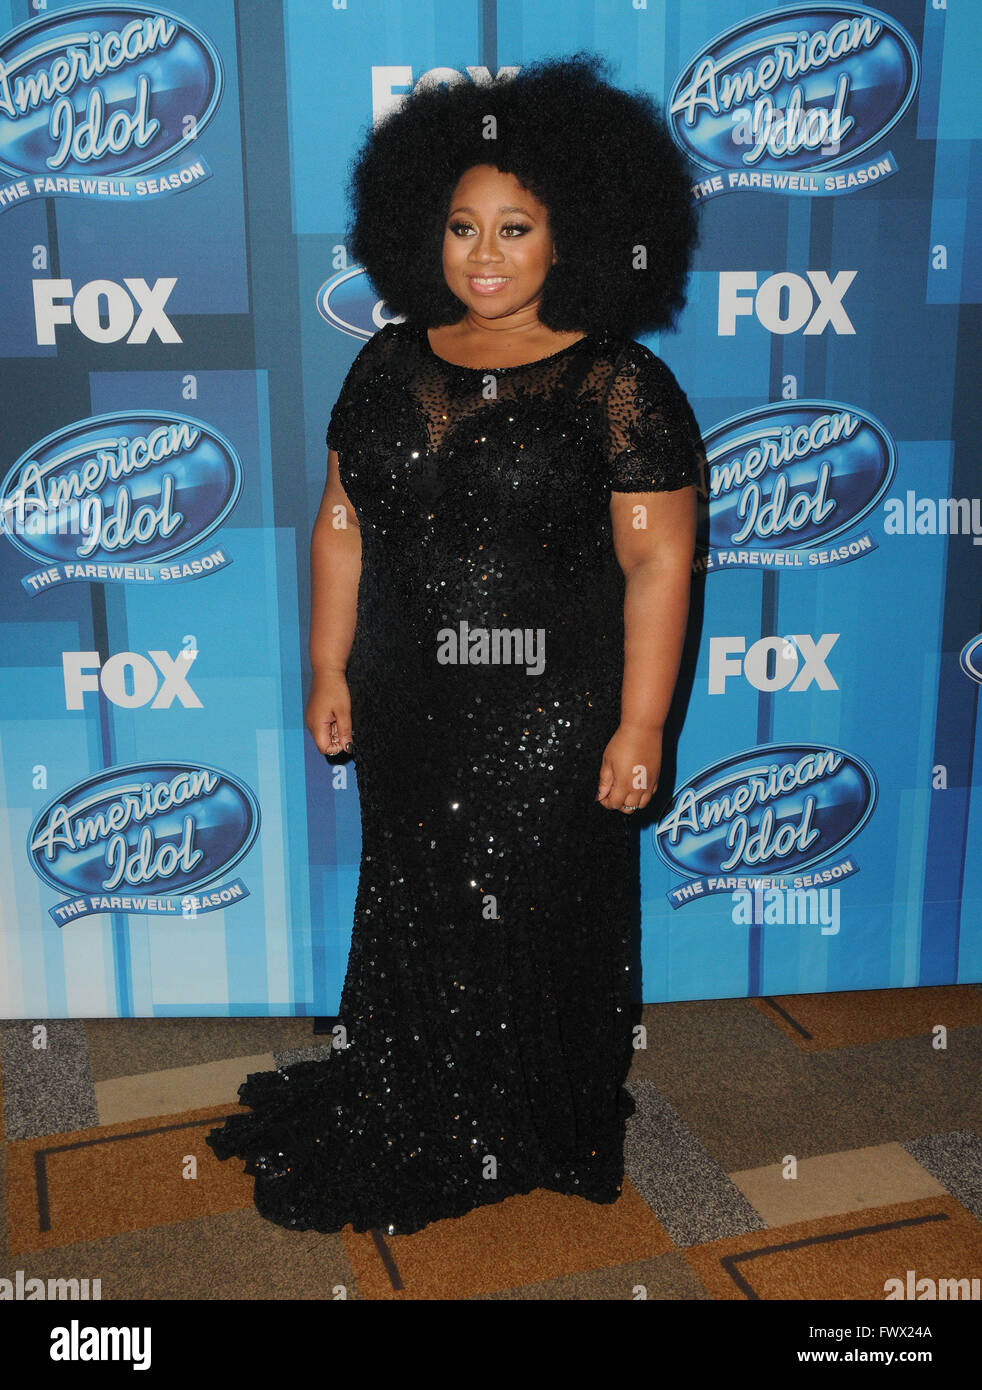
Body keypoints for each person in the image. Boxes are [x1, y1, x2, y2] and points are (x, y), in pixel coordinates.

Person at [206, 52, 705, 1237]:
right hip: (405, 702)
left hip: (549, 713)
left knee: (535, 914)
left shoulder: (619, 385)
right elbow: (341, 526)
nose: (482, 253)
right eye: (461, 224)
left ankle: (533, 1119)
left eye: (516, 226)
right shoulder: (386, 360)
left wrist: (639, 724)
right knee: (419, 905)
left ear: (571, 233)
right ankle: (421, 1094)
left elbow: (657, 563)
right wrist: (327, 665)